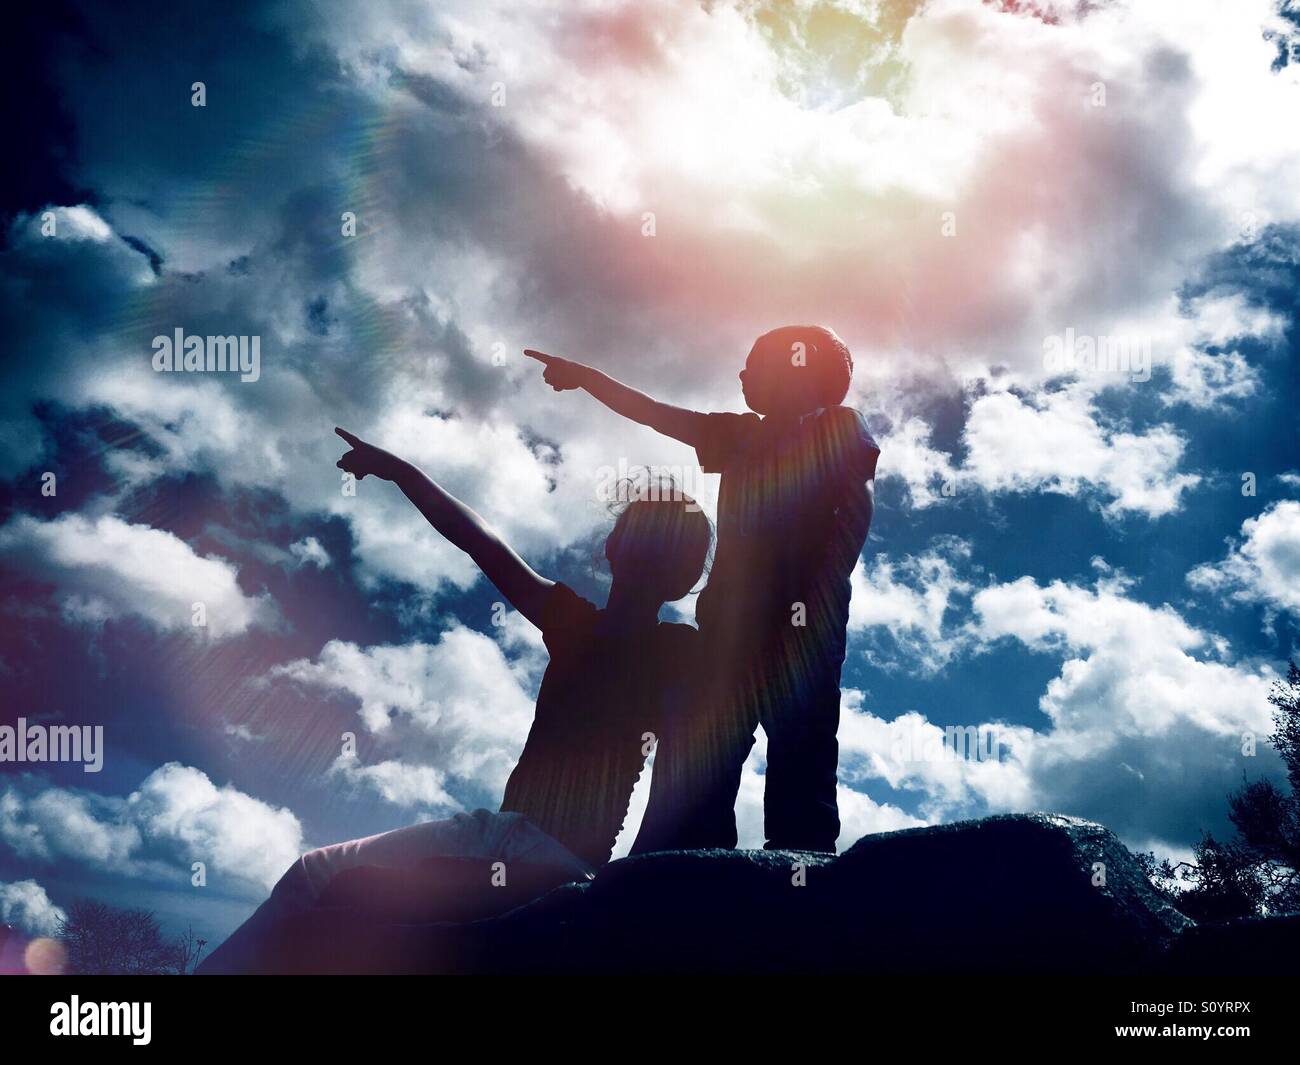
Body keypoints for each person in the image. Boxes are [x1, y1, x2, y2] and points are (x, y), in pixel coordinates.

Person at [199, 428, 710, 973]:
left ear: (617, 550)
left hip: (537, 851)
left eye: (649, 540)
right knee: (324, 883)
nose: (637, 549)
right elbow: (480, 542)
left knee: (315, 878)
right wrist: (402, 473)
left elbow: (481, 542)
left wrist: (402, 472)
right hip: (537, 846)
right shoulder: (631, 638)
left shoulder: (602, 630)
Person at [527, 326, 879, 854]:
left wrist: (823, 598)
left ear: (799, 370)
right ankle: (697, 866)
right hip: (727, 630)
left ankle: (803, 870)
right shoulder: (738, 435)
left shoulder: (839, 426)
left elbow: (856, 511)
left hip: (804, 626)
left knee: (801, 754)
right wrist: (587, 379)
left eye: (755, 364)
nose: (742, 375)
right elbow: (653, 412)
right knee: (708, 756)